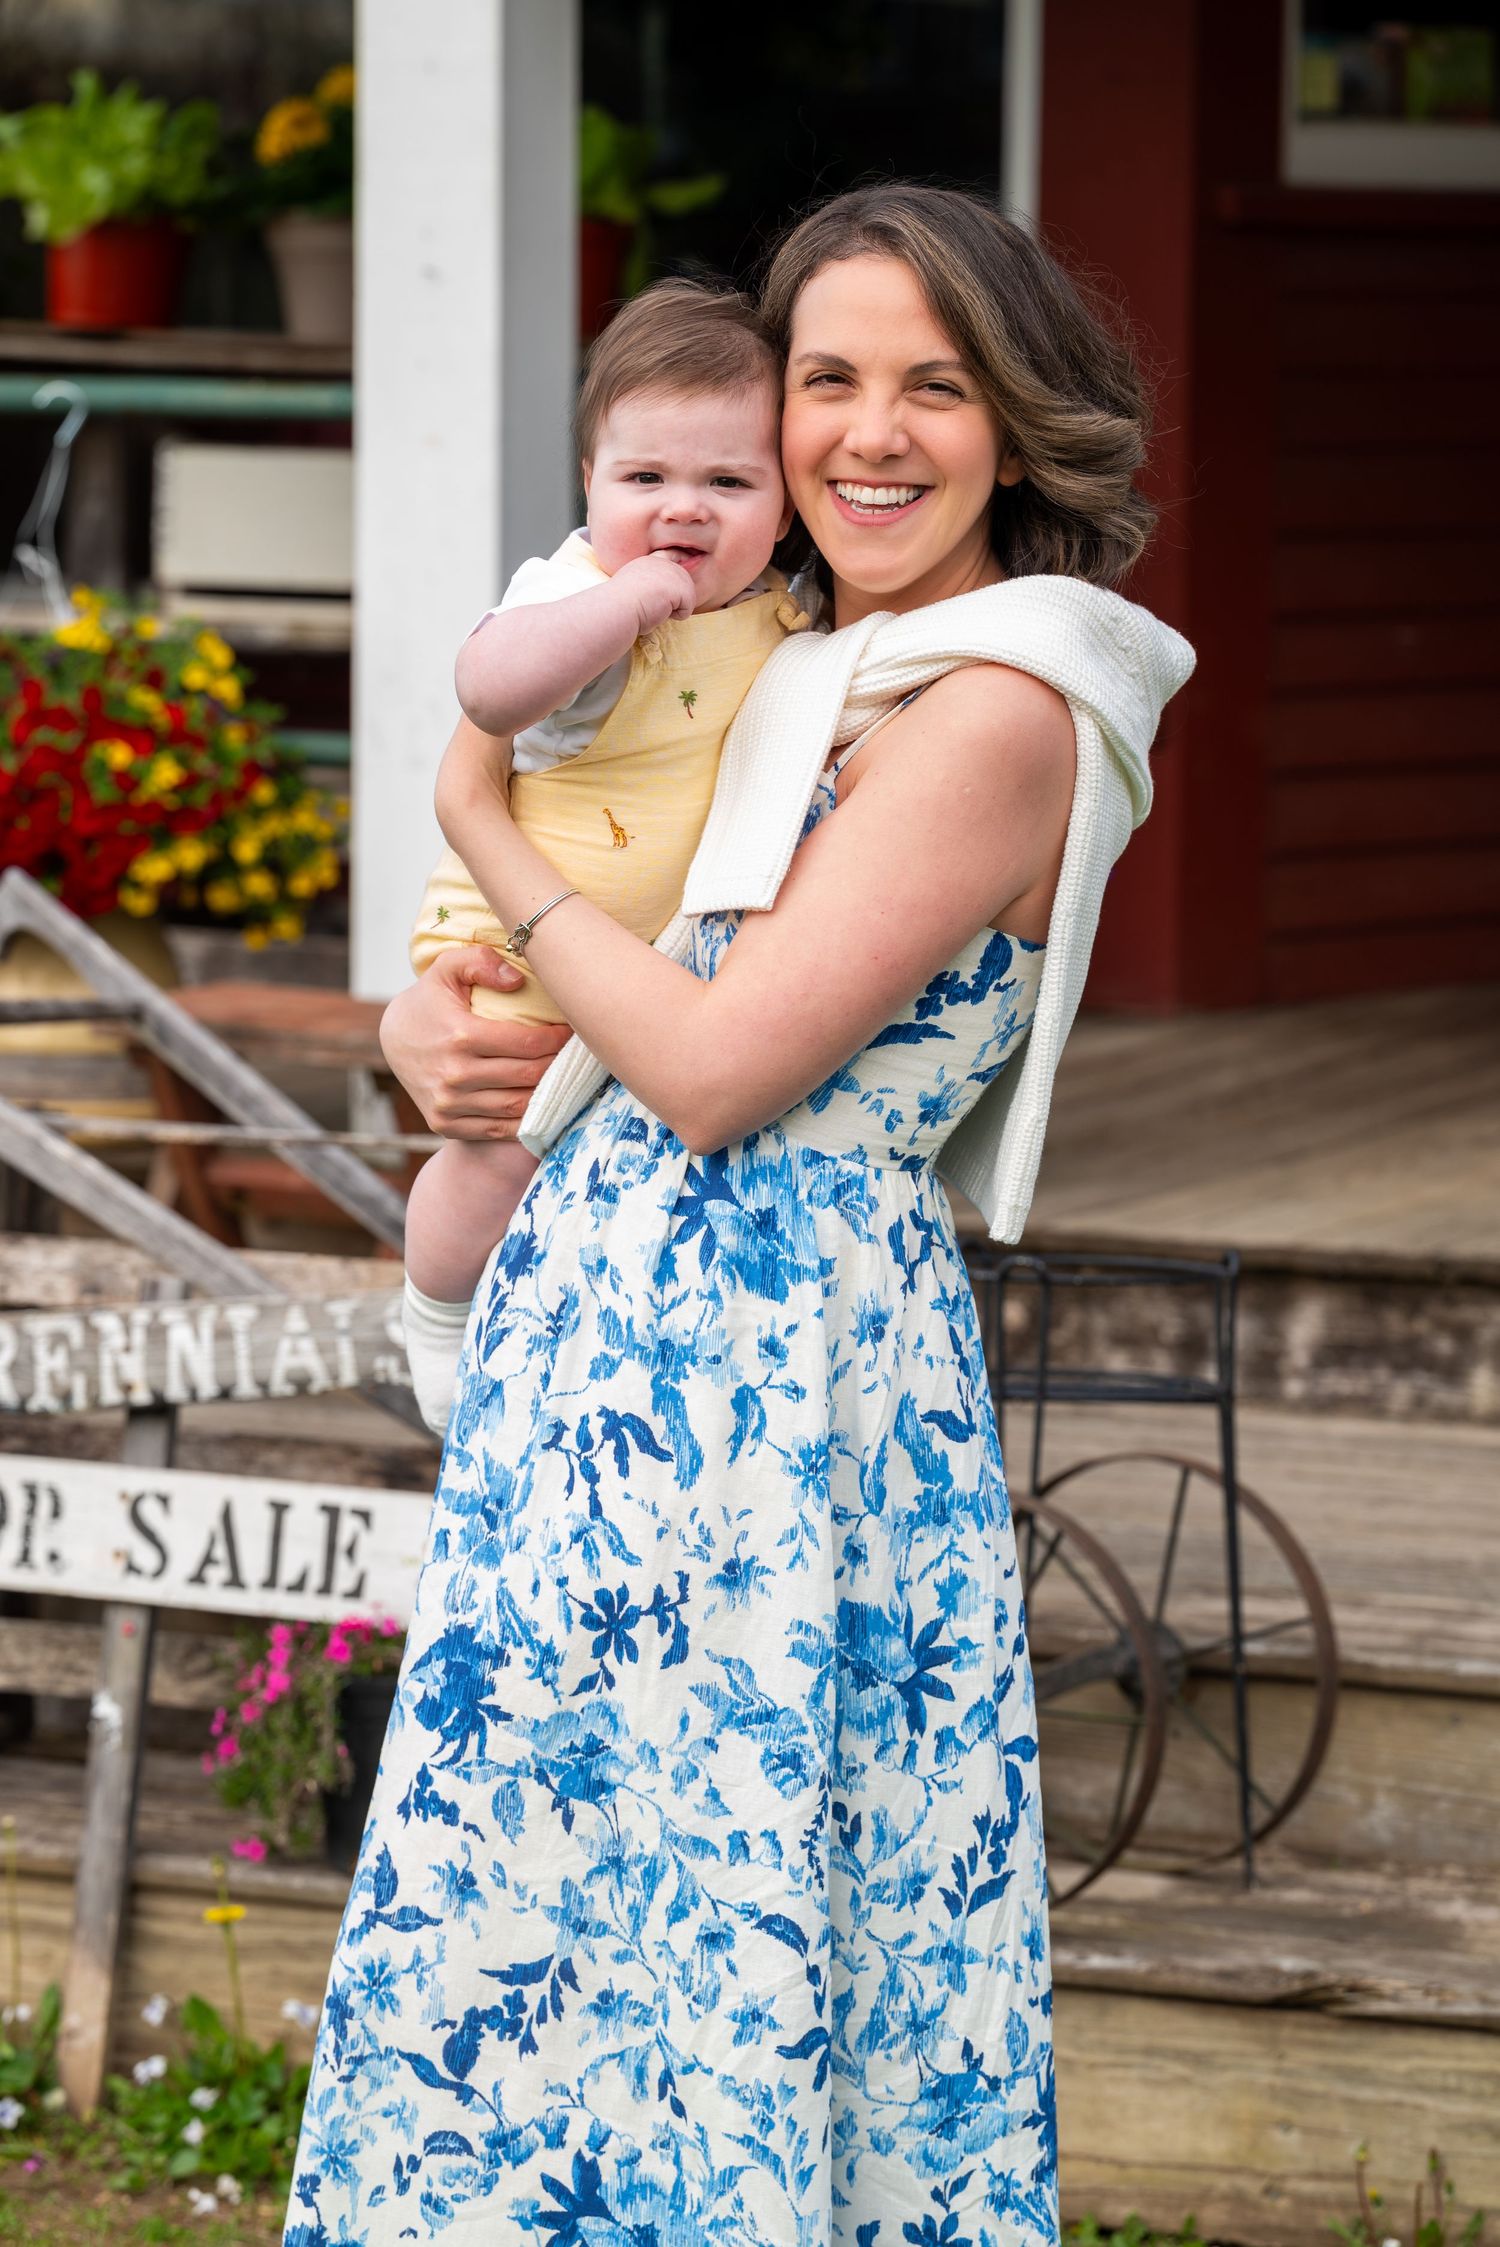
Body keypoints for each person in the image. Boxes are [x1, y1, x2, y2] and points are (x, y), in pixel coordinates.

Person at [285, 183, 1193, 2247]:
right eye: (829, 380)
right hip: (604, 1358)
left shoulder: (998, 705)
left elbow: (710, 1067)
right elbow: (591, 980)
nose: (873, 433)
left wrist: (473, 828)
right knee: (555, 1896)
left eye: (936, 385)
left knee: (738, 1902)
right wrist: (435, 1028)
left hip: (773, 1374)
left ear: (1017, 419)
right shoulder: (781, 663)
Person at [401, 279, 803, 1432]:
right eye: (645, 479)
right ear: (590, 485)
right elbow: (486, 686)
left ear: (783, 508)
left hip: (655, 996)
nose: (683, 510)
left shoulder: (784, 613)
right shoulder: (576, 597)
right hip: (520, 962)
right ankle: (435, 1311)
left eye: (728, 482)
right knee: (493, 1165)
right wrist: (622, 606)